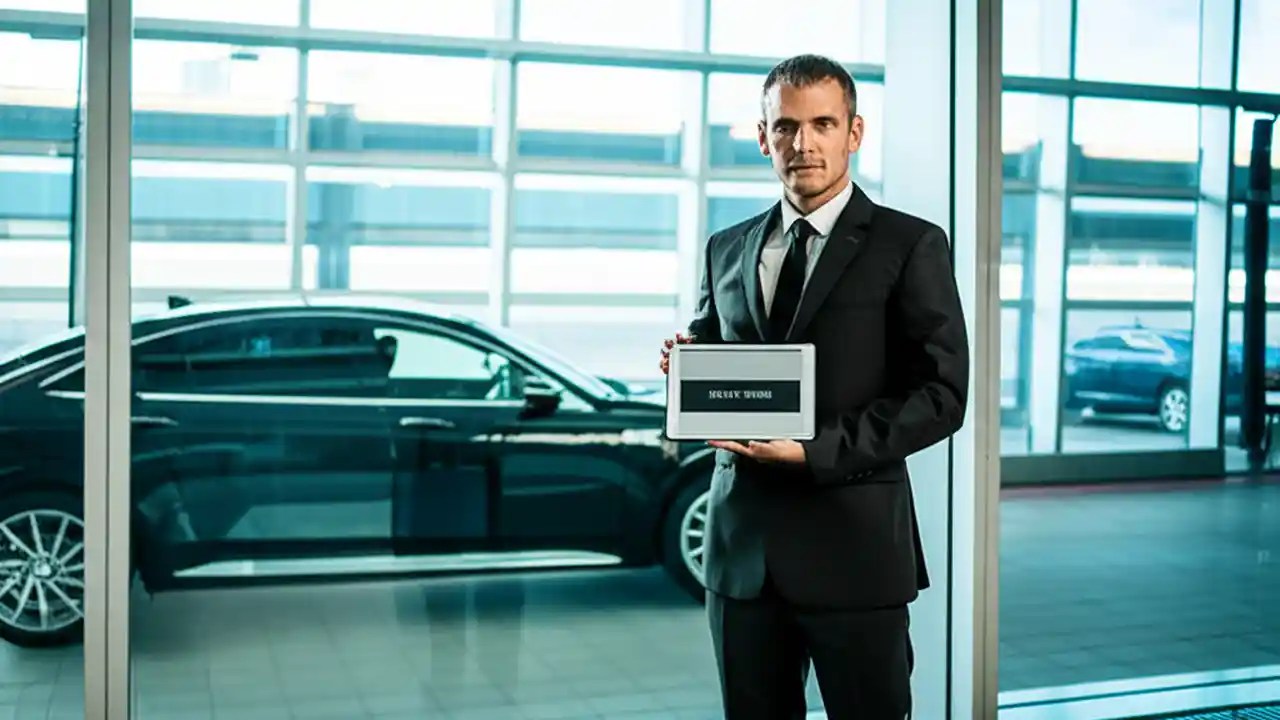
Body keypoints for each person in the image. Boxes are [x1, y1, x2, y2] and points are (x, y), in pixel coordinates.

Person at [659, 54, 968, 719]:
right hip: (743, 554)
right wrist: (690, 362)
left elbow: (943, 394)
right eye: (787, 126)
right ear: (764, 136)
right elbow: (720, 350)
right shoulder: (727, 246)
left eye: (823, 123)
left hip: (854, 551)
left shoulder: (909, 244)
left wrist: (814, 449)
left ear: (854, 132)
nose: (804, 143)